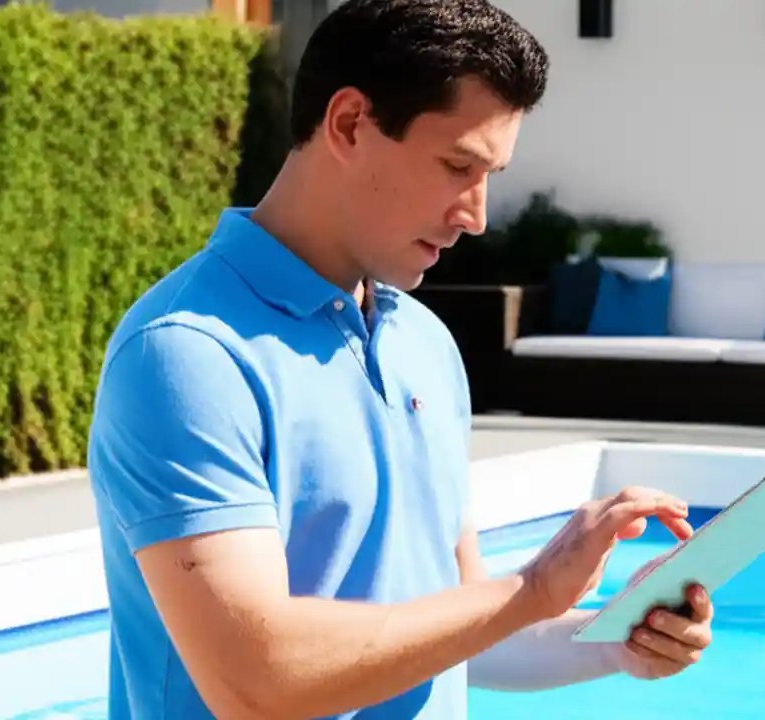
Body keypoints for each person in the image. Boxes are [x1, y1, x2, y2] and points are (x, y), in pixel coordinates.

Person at [85, 1, 714, 718]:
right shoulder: (186, 355)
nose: (477, 215)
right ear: (350, 123)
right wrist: (533, 589)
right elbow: (258, 680)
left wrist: (614, 641)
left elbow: (462, 632)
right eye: (458, 166)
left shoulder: (423, 342)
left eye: (490, 174)